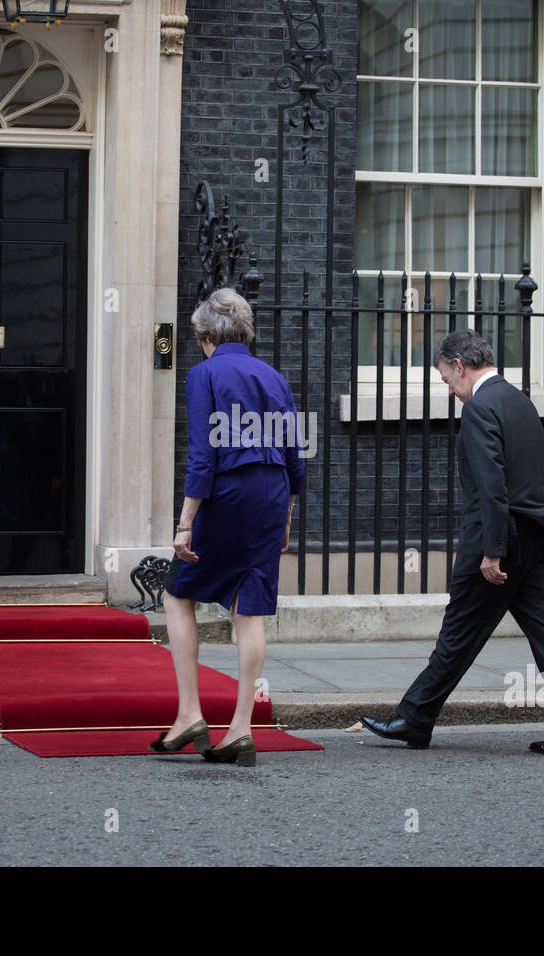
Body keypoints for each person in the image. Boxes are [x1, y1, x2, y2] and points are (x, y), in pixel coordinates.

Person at [360, 328, 544, 755]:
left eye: (447, 381)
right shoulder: (520, 401)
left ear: (459, 366)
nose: (450, 390)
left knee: (458, 632)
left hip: (498, 539)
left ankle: (414, 718)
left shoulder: (481, 408)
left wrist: (492, 549)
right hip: (534, 537)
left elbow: (492, 487)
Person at [150, 288, 305, 767]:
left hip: (229, 491)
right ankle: (240, 729)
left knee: (177, 594)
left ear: (204, 336)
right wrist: (285, 517)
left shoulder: (204, 373)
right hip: (272, 491)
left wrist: (184, 523)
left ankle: (190, 714)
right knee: (249, 606)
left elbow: (203, 454)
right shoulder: (274, 376)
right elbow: (296, 453)